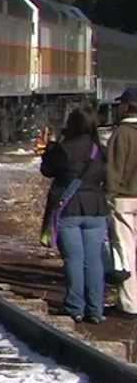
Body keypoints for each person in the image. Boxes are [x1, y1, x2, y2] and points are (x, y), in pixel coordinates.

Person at [41, 107, 109, 323]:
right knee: (94, 260)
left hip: (68, 208)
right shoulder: (99, 150)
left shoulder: (64, 149)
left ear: (71, 125)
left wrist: (50, 149)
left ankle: (74, 307)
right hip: (96, 209)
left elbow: (47, 170)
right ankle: (96, 309)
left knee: (74, 259)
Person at [107, 86, 137, 318]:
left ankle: (130, 303)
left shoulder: (122, 133)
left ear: (127, 106)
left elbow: (114, 168)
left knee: (125, 250)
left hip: (124, 199)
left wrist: (109, 194)